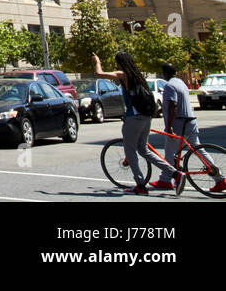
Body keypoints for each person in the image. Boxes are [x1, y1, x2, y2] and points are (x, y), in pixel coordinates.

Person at [93, 51, 177, 194]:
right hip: (146, 117)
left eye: (117, 62)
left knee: (130, 150)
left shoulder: (124, 74)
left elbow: (99, 74)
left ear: (120, 63)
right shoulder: (138, 76)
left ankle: (140, 185)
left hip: (134, 118)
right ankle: (175, 173)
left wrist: (97, 61)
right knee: (144, 150)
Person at [155, 62, 226, 193]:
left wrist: (169, 126)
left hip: (179, 122)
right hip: (190, 121)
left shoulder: (170, 85)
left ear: (164, 73)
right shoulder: (181, 83)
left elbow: (173, 106)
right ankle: (220, 179)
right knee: (199, 150)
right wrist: (160, 110)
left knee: (169, 152)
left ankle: (165, 180)